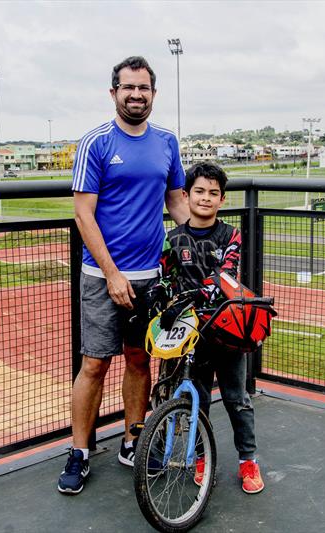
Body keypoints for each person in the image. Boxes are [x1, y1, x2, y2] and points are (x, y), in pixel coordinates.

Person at [58, 56, 189, 495]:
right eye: (128, 87)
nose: (137, 95)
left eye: (144, 88)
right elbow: (83, 213)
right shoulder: (95, 142)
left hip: (151, 275)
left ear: (153, 93)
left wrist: (200, 241)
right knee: (94, 364)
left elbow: (176, 200)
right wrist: (112, 273)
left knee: (139, 359)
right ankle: (79, 452)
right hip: (102, 277)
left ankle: (133, 439)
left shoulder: (168, 142)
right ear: (113, 92)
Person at [157, 161, 265, 494]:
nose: (206, 198)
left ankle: (248, 461)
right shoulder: (172, 238)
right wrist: (161, 300)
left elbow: (224, 274)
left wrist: (193, 297)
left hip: (229, 331)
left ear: (222, 200)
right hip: (193, 337)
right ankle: (201, 457)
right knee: (197, 402)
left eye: (213, 193)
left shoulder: (231, 234)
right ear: (186, 196)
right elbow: (165, 279)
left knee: (238, 399)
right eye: (199, 192)